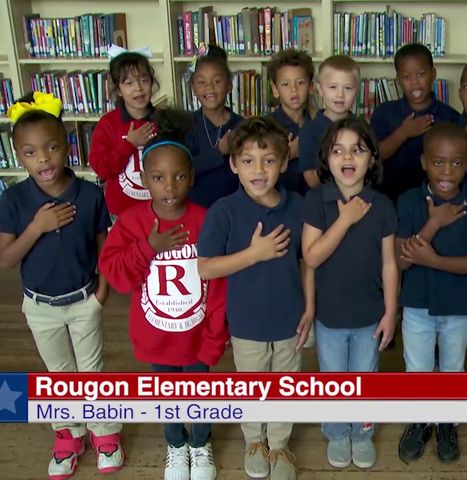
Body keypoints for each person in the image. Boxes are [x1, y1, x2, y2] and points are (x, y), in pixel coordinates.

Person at [0, 91, 123, 479]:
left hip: (84, 299)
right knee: (59, 373)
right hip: (40, 307)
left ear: (67, 146)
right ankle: (69, 435)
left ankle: (105, 432)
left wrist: (102, 291)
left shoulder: (89, 194)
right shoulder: (14, 199)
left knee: (91, 370)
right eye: (30, 152)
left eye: (51, 148)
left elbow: (103, 244)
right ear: (19, 156)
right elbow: (6, 258)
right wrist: (38, 226)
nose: (43, 159)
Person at [99, 109, 227, 480]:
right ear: (144, 179)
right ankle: (176, 444)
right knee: (167, 395)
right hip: (156, 337)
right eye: (158, 178)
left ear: (191, 177)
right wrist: (148, 247)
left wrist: (214, 338)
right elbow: (117, 276)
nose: (169, 187)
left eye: (179, 176)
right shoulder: (132, 222)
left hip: (197, 335)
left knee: (200, 395)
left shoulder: (206, 220)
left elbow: (219, 284)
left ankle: (200, 443)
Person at [197, 117, 314, 480]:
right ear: (234, 165)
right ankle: (254, 441)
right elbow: (205, 268)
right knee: (251, 383)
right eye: (248, 160)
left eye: (269, 160)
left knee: (285, 384)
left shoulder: (298, 206)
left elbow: (307, 261)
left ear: (284, 162)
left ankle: (278, 444)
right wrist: (255, 253)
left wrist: (310, 307)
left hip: (290, 317)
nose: (259, 170)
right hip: (246, 321)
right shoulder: (223, 211)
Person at [395, 123, 467, 464]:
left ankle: (446, 423)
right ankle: (420, 420)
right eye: (438, 162)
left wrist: (433, 260)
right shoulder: (409, 202)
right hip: (417, 307)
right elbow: (401, 260)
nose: (447, 172)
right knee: (418, 369)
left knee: (453, 368)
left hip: (459, 308)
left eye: (456, 163)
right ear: (424, 162)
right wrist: (434, 222)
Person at [301, 118, 398, 469]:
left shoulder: (382, 205)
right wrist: (345, 219)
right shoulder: (317, 200)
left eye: (357, 150)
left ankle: (362, 431)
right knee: (333, 377)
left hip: (369, 314)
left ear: (371, 158)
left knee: (364, 375)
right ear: (326, 159)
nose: (347, 157)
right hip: (330, 315)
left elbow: (390, 263)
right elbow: (311, 257)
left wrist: (391, 312)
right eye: (337, 150)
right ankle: (338, 431)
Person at [371, 43, 460, 201]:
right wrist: (403, 133)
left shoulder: (450, 117)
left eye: (420, 74)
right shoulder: (383, 113)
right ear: (398, 80)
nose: (414, 82)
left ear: (433, 74)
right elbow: (373, 157)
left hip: (433, 201)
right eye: (406, 77)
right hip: (388, 199)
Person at [89, 50, 159, 217]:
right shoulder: (108, 124)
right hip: (121, 213)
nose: (138, 88)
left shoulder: (163, 120)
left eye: (144, 80)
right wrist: (128, 144)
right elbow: (101, 169)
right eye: (129, 83)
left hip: (159, 210)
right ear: (118, 89)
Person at [186, 44, 244, 208]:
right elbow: (183, 168)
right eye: (201, 82)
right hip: (197, 209)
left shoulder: (241, 126)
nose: (209, 87)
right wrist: (219, 151)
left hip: (233, 209)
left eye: (217, 81)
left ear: (229, 85)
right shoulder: (187, 125)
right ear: (193, 88)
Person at [298, 55, 360, 189]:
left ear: (356, 91)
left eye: (348, 88)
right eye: (333, 87)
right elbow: (312, 181)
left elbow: (369, 169)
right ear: (320, 89)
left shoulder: (362, 128)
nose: (340, 95)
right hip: (322, 198)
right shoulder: (309, 131)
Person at [267, 48, 316, 196]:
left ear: (310, 86)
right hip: (281, 202)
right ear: (275, 89)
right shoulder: (266, 127)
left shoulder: (319, 124)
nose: (294, 90)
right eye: (285, 84)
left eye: (300, 83)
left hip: (315, 203)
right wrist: (288, 153)